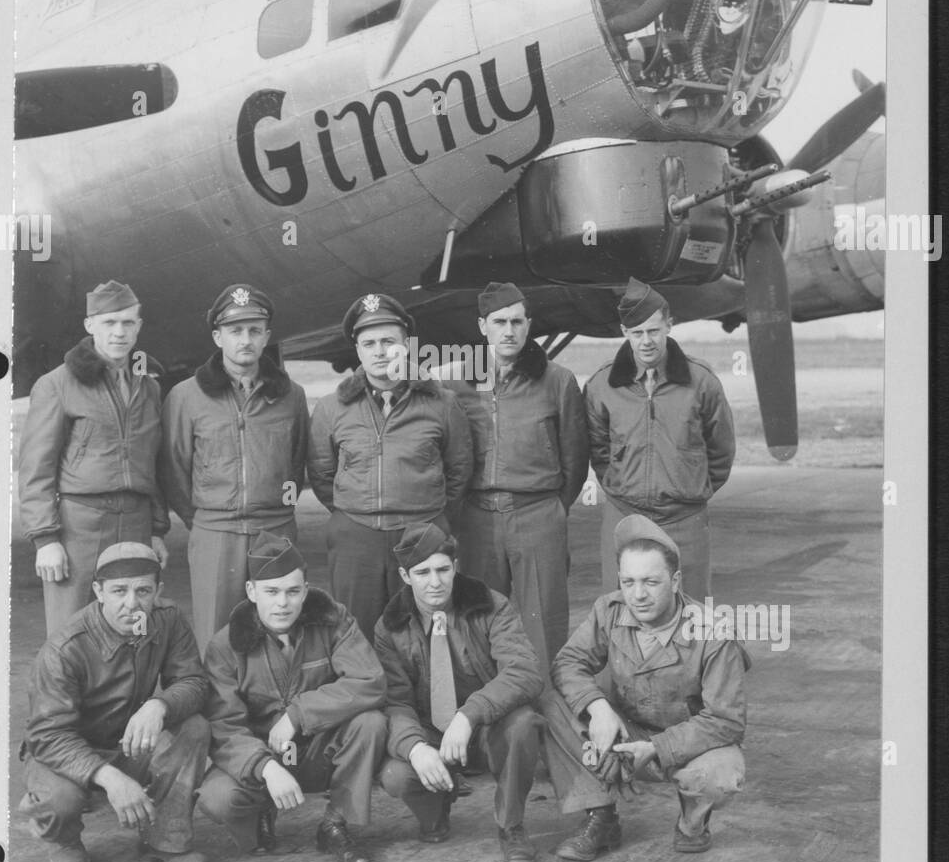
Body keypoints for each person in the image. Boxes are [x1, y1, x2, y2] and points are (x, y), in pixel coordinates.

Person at [543, 515, 748, 861]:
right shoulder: (609, 611)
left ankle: (692, 824)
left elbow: (726, 720)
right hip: (626, 733)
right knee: (550, 704)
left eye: (651, 582)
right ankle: (601, 815)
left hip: (687, 744)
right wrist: (598, 707)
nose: (637, 595)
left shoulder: (713, 631)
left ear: (676, 580)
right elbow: (568, 663)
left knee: (722, 774)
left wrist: (656, 747)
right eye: (628, 582)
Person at [18, 542, 211, 862]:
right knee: (60, 802)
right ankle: (59, 833)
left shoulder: (168, 620)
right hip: (65, 751)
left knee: (193, 727)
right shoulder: (64, 649)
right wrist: (112, 780)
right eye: (119, 591)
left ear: (158, 591)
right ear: (98, 591)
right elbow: (47, 736)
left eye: (143, 591)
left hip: (127, 744)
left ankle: (165, 839)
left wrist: (158, 705)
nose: (131, 604)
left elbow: (194, 681)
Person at [198, 532, 388, 862]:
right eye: (271, 592)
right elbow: (224, 727)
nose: (282, 604)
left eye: (292, 591)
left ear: (306, 590)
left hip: (318, 750)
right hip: (263, 758)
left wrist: (299, 714)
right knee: (217, 798)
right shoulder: (225, 645)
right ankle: (260, 813)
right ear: (251, 591)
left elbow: (369, 680)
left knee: (369, 722)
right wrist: (265, 767)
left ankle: (335, 824)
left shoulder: (333, 620)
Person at [375, 522, 545, 862]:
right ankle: (436, 802)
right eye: (422, 573)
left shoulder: (491, 605)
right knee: (397, 773)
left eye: (442, 569)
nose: (434, 582)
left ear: (456, 567)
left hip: (483, 728)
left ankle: (511, 826)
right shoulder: (389, 626)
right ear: (406, 576)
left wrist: (470, 715)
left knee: (524, 722)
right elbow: (395, 701)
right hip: (432, 732)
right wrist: (416, 748)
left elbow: (524, 671)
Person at [307, 293, 473, 642]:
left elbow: (458, 470)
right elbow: (322, 474)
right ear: (357, 349)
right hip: (356, 536)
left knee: (425, 635)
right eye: (369, 343)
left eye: (389, 342)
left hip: (421, 533)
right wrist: (355, 510)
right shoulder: (331, 408)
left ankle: (425, 698)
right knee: (357, 636)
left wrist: (429, 516)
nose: (380, 351)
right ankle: (367, 697)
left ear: (406, 346)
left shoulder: (442, 403)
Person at [159, 283, 309, 653]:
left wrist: (278, 510)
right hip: (215, 532)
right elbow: (174, 470)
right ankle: (222, 711)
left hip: (273, 529)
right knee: (218, 638)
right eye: (235, 331)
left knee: (281, 631)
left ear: (266, 336)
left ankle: (279, 707)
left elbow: (297, 460)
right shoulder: (185, 396)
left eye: (254, 331)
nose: (246, 340)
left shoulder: (291, 395)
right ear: (217, 336)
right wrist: (205, 519)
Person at [18, 280, 170, 637]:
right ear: (90, 326)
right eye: (109, 323)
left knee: (131, 629)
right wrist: (45, 539)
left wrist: (157, 530)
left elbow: (153, 464)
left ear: (139, 326)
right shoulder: (57, 384)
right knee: (71, 636)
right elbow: (36, 470)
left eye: (128, 323)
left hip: (135, 522)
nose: (120, 332)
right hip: (80, 525)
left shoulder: (149, 387)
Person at [454, 281, 589, 676]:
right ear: (483, 327)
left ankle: (547, 706)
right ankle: (484, 705)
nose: (508, 331)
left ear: (529, 325)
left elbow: (574, 457)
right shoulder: (458, 383)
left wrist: (552, 509)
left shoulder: (557, 380)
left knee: (542, 619)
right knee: (476, 615)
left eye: (517, 321)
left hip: (538, 514)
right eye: (499, 322)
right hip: (478, 518)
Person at [584, 277, 735, 603]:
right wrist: (620, 486)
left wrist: (691, 488)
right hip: (625, 514)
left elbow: (721, 449)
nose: (646, 341)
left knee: (691, 610)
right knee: (619, 609)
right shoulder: (601, 385)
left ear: (669, 324)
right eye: (636, 333)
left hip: (684, 517)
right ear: (625, 333)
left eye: (653, 330)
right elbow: (597, 449)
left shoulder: (702, 382)